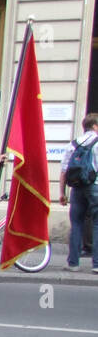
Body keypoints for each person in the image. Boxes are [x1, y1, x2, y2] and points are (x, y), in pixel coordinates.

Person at [63, 112, 97, 271]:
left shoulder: (74, 144)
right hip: (95, 187)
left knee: (76, 224)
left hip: (76, 187)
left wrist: (62, 193)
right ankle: (96, 265)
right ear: (95, 126)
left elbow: (64, 170)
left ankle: (73, 263)